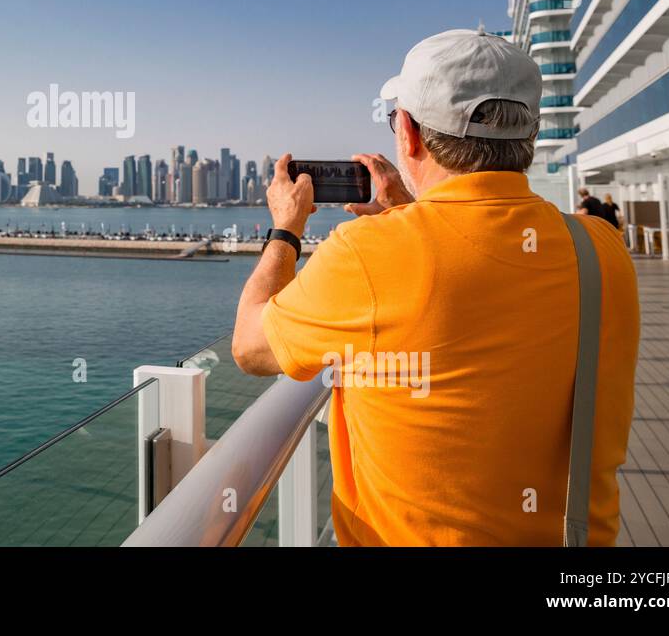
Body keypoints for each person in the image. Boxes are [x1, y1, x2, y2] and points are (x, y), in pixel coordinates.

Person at [232, 28, 640, 545]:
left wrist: (285, 229)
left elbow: (249, 347)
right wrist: (410, 213)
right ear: (529, 135)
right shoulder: (602, 248)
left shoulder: (367, 253)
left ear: (408, 133)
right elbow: (475, 278)